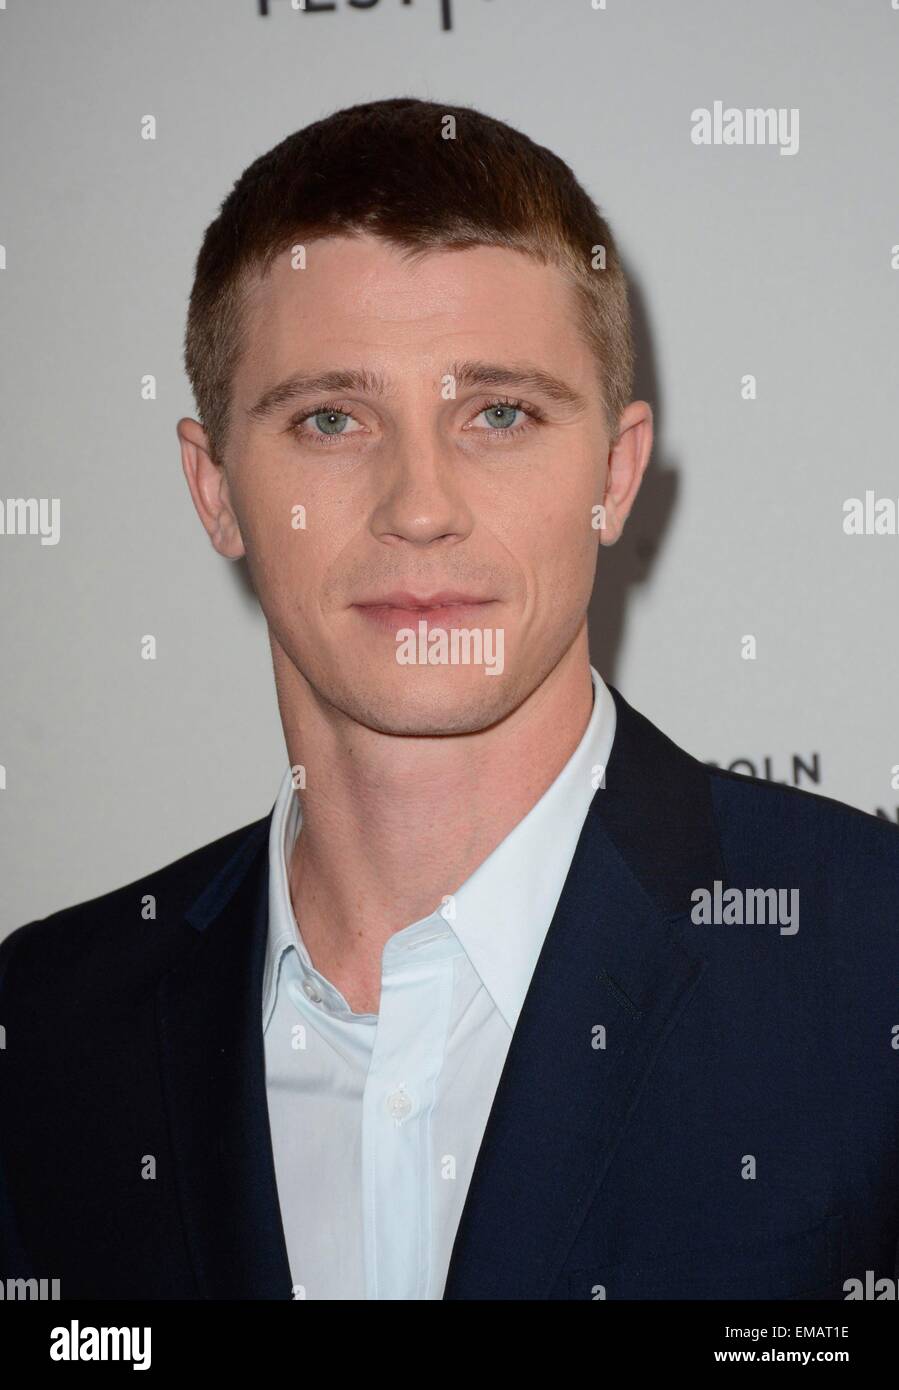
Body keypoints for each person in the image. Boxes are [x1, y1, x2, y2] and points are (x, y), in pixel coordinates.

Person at [1, 97, 896, 1301]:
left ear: (614, 474)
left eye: (498, 414)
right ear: (213, 488)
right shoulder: (48, 1030)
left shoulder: (867, 963)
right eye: (330, 417)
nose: (418, 504)